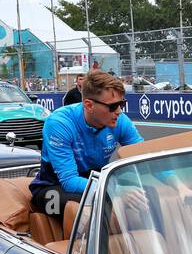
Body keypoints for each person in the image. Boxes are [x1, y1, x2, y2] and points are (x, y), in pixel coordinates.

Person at [29, 70, 142, 218]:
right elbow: (69, 181)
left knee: (148, 192)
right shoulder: (59, 123)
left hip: (95, 178)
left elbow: (144, 156)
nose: (119, 111)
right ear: (89, 105)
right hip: (52, 187)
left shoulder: (120, 120)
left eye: (122, 104)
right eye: (113, 106)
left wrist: (176, 179)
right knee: (98, 204)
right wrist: (115, 191)